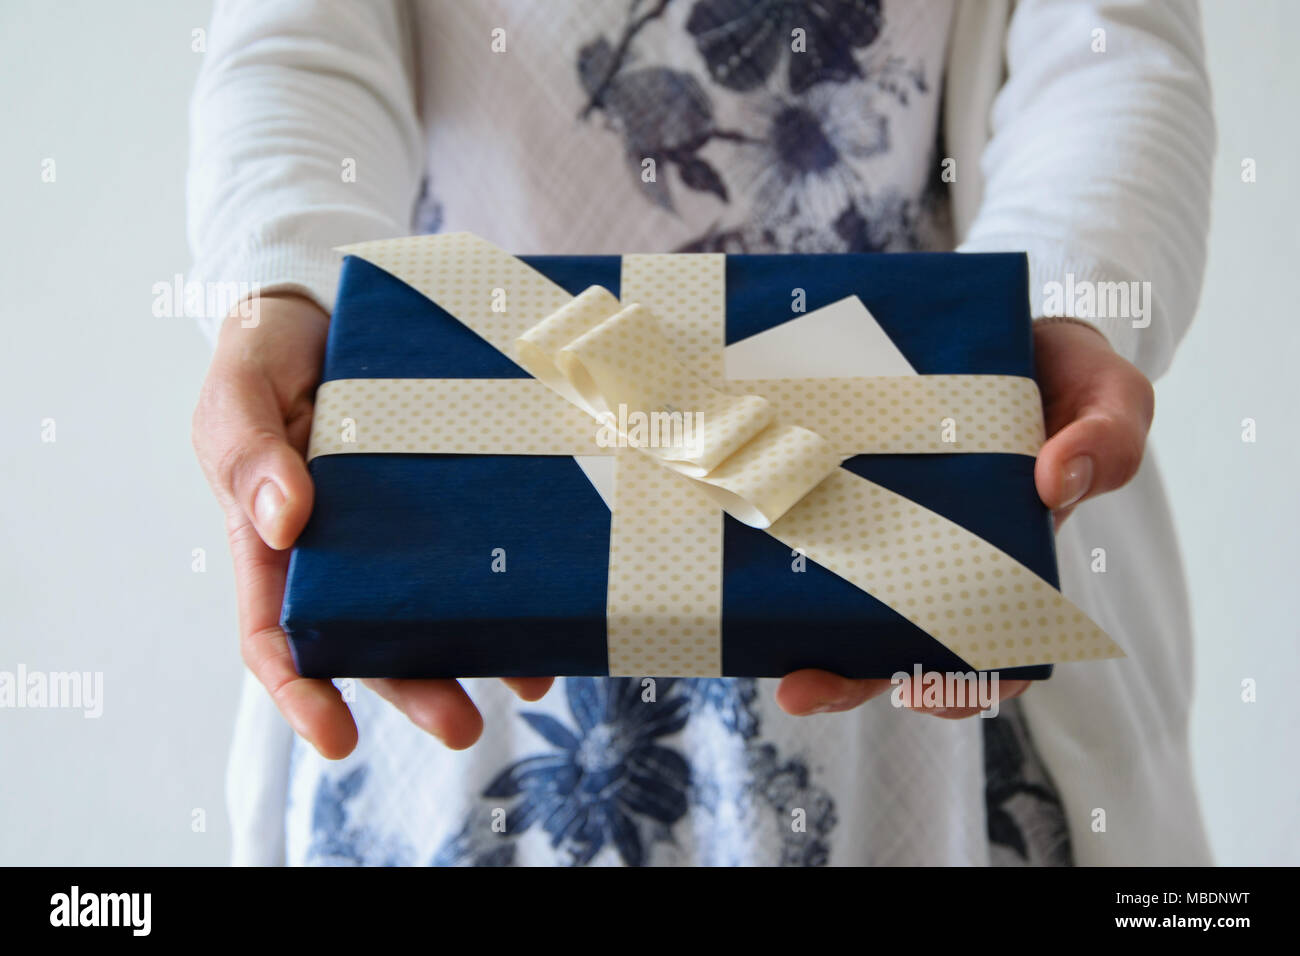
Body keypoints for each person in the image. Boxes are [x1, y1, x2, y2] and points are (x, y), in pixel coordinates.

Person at [188, 0, 1215, 866]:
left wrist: (1064, 306)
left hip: (910, 508)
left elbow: (1103, 45)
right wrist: (287, 291)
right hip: (454, 548)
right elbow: (297, 44)